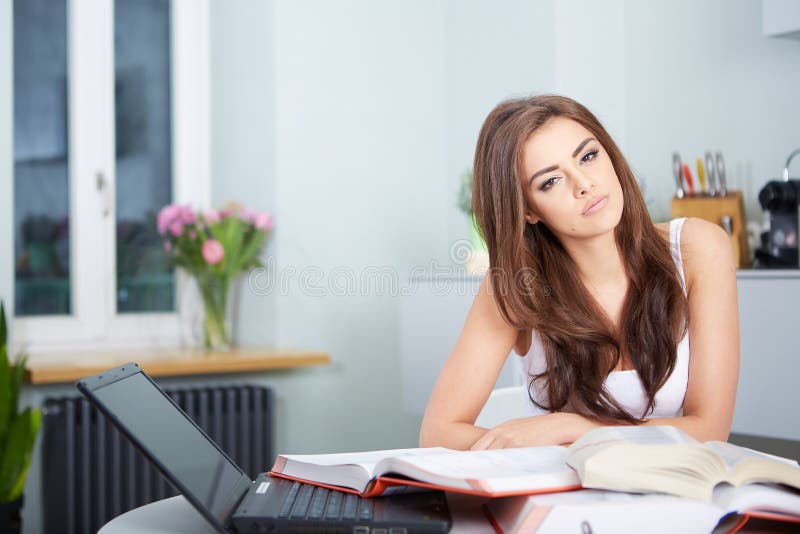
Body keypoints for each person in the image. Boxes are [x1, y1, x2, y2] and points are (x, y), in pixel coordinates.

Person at [419, 95, 739, 451]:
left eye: (588, 156)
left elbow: (710, 429)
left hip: (670, 492)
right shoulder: (514, 286)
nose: (583, 184)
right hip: (562, 494)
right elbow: (438, 434)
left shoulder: (698, 249)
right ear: (528, 211)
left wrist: (572, 428)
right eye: (550, 181)